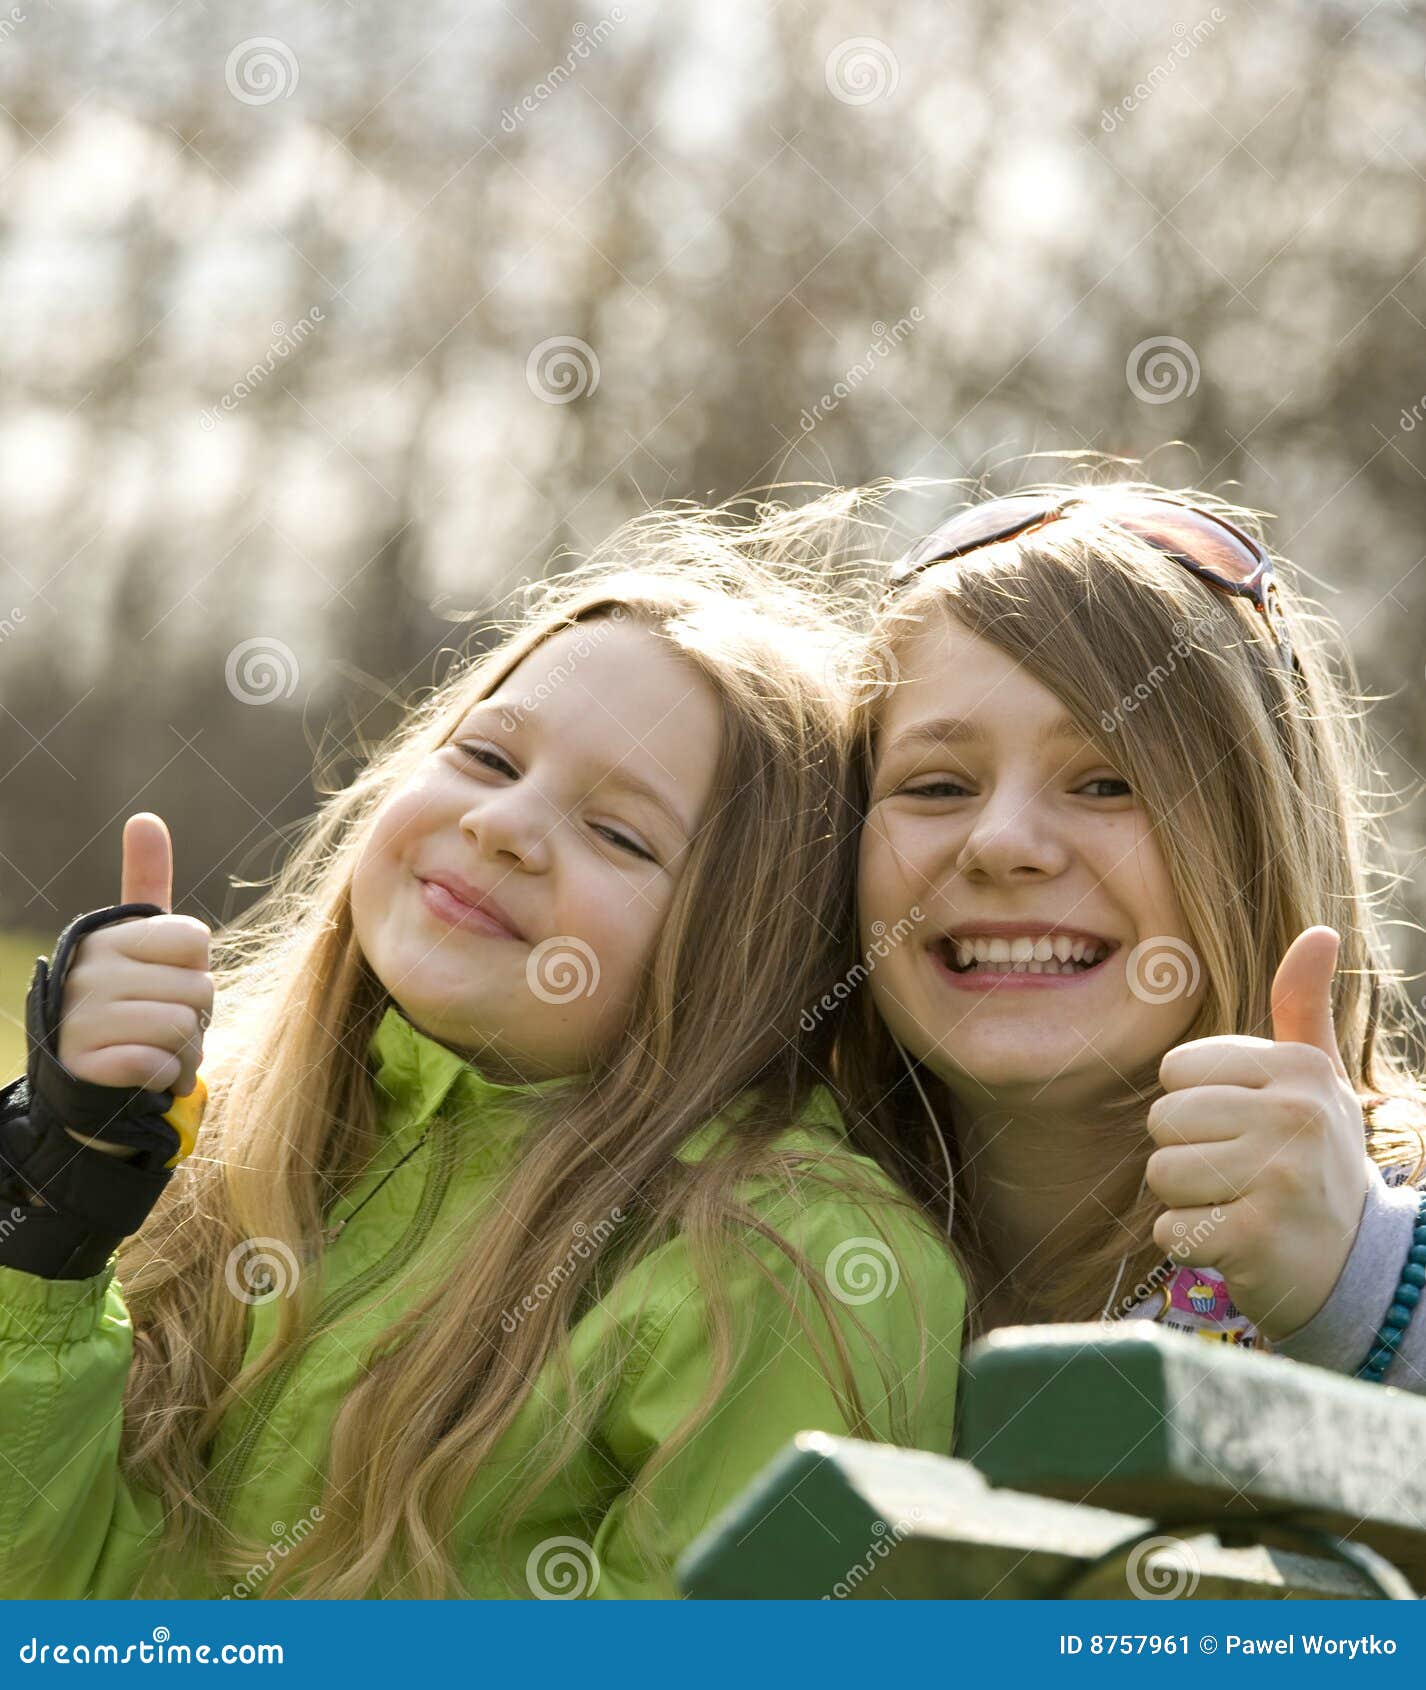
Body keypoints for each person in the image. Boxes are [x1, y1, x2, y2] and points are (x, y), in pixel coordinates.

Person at [0, 496, 965, 1599]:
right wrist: (56, 1211)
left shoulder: (790, 1271)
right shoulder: (222, 1129)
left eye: (619, 833)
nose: (502, 826)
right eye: (490, 758)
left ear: (749, 954)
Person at [837, 477, 1426, 1385]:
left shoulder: (1387, 1229)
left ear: (1259, 839)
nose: (1003, 843)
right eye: (938, 785)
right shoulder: (745, 1237)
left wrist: (1359, 1287)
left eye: (1107, 783)